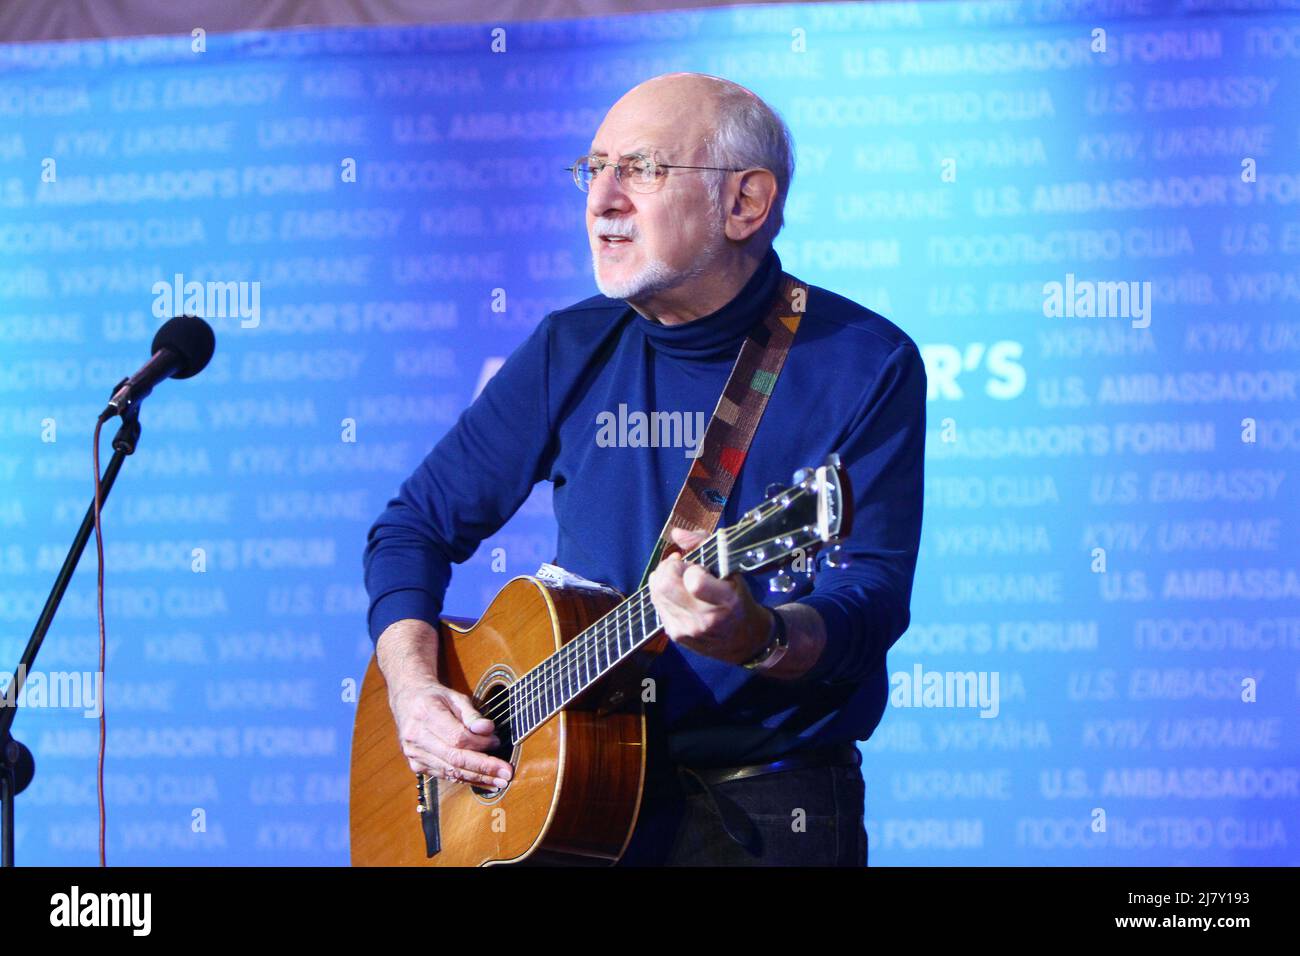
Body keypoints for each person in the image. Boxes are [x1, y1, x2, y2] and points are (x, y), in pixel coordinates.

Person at [362, 72, 926, 866]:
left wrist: (758, 637)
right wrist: (416, 690)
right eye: (594, 169)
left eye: (644, 169)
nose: (602, 199)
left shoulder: (864, 362)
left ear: (746, 203)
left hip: (762, 812)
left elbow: (865, 609)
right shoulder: (571, 344)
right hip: (562, 804)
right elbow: (411, 529)